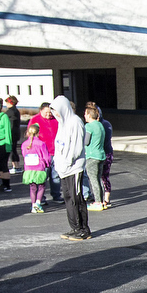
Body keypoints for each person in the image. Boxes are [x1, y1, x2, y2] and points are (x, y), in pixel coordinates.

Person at [51, 95, 90, 241]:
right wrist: (58, 163)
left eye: (56, 110)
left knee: (76, 198)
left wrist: (68, 161)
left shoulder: (75, 122)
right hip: (63, 169)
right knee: (68, 198)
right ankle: (74, 227)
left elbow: (77, 146)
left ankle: (83, 229)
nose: (55, 114)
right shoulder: (62, 124)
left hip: (73, 168)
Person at [27, 102, 62, 204]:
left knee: (55, 176)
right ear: (41, 111)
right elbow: (31, 135)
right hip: (42, 154)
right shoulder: (35, 120)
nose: (48, 114)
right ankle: (40, 198)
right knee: (42, 176)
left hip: (55, 152)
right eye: (46, 112)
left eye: (50, 112)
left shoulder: (56, 119)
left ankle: (56, 195)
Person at [21, 122, 52, 214]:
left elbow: (23, 154)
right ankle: (38, 202)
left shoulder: (24, 144)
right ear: (38, 133)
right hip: (39, 168)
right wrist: (47, 164)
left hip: (29, 169)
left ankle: (33, 204)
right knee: (42, 186)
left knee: (32, 187)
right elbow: (46, 156)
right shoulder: (41, 143)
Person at [83, 104, 108, 210]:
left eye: (85, 114)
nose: (84, 116)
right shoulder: (100, 125)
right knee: (98, 179)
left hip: (92, 155)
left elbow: (86, 141)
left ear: (89, 115)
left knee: (93, 179)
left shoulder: (89, 126)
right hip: (101, 155)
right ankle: (102, 201)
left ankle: (97, 202)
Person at [4, 96, 22, 173]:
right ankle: (17, 166)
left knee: (12, 150)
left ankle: (16, 166)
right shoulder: (16, 111)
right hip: (16, 132)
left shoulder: (10, 112)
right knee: (14, 149)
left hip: (11, 133)